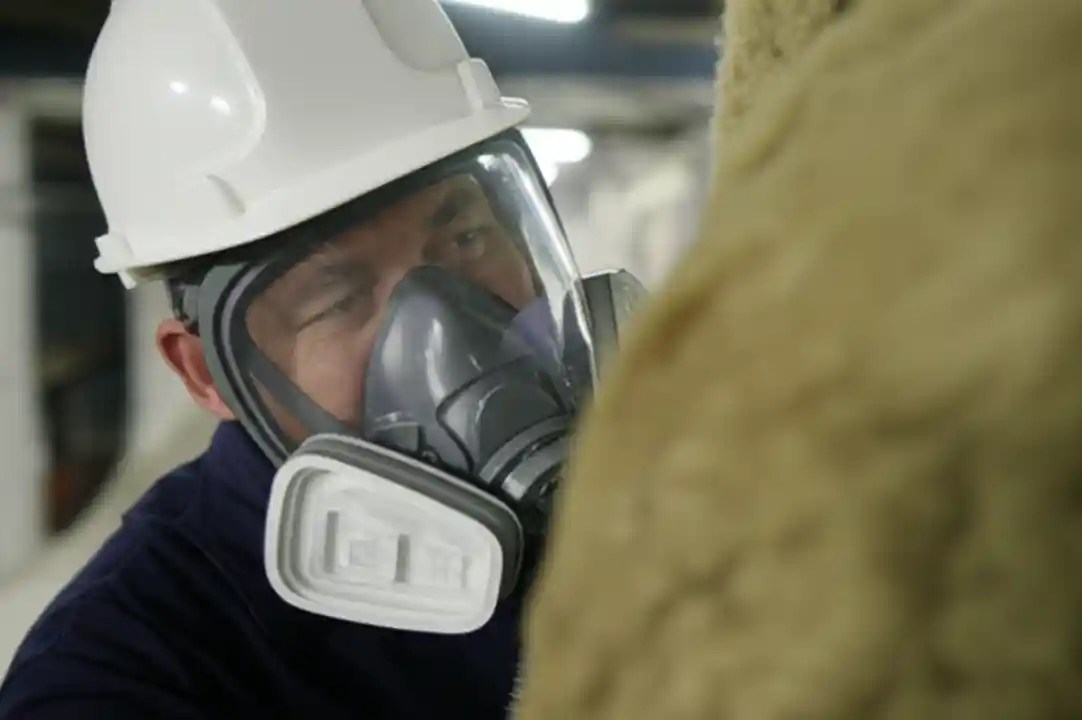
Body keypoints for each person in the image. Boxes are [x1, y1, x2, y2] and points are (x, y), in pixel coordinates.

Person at [0, 0, 640, 717]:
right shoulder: (127, 670)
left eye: (464, 240)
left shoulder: (680, 481)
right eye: (338, 299)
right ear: (207, 373)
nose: (447, 329)